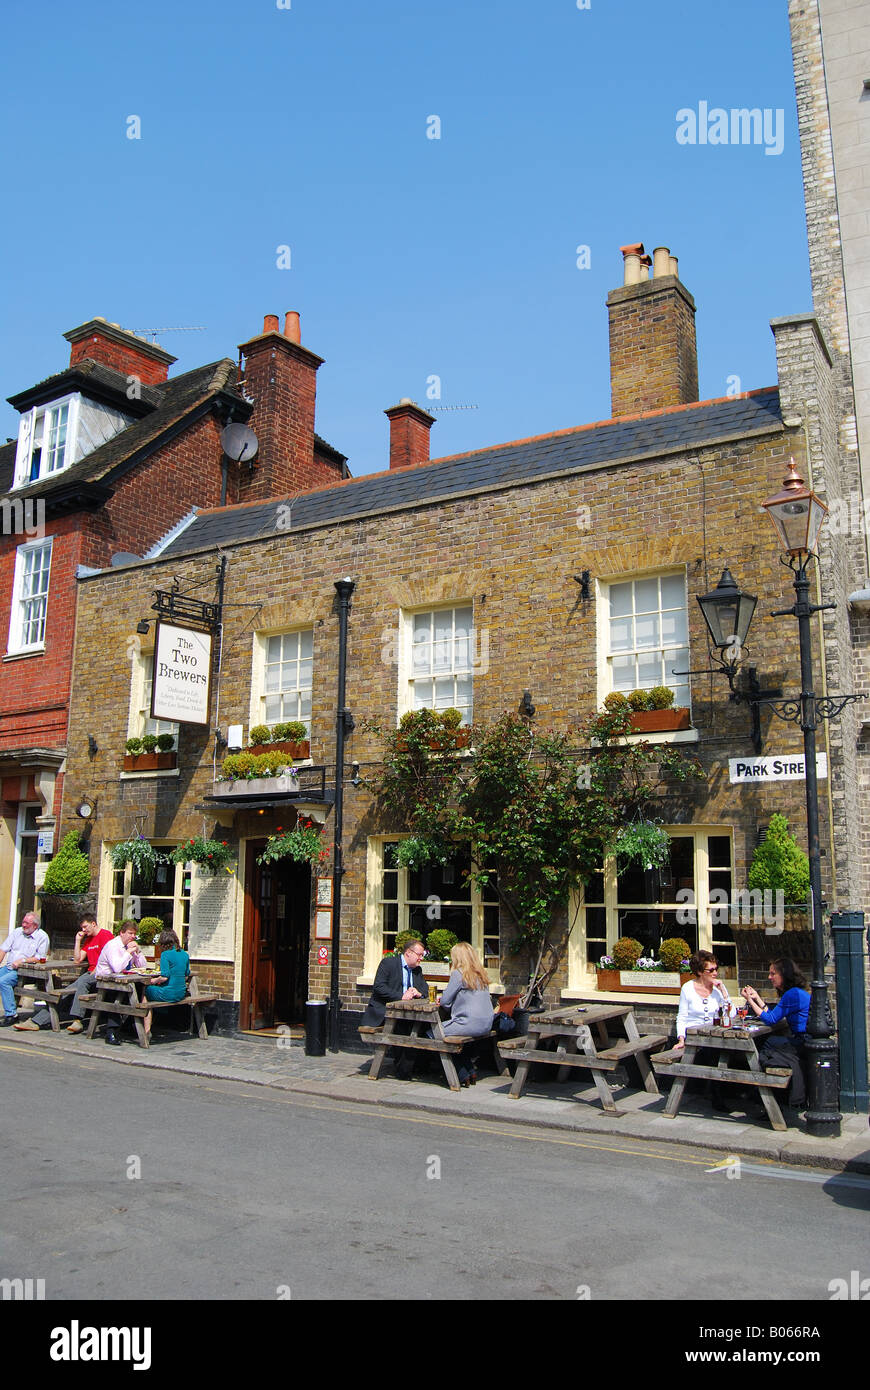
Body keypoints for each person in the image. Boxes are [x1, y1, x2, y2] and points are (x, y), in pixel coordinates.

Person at [14, 914, 112, 1033]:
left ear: (93, 924)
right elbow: (77, 959)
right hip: (89, 974)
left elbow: (109, 957)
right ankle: (36, 1021)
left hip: (102, 974)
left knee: (81, 983)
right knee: (64, 994)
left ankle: (77, 1019)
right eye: (82, 928)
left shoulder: (105, 935)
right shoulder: (89, 939)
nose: (83, 930)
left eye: (85, 927)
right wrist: (77, 941)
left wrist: (97, 969)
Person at [741, 957, 810, 1107]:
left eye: (773, 974)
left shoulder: (792, 994)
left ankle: (763, 1092)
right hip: (803, 1040)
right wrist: (757, 998)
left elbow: (771, 1020)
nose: (769, 977)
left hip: (802, 1042)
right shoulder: (795, 992)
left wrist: (749, 1000)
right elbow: (774, 1015)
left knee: (766, 1043)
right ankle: (761, 1093)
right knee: (769, 1042)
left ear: (784, 974)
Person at [674, 950, 738, 1112]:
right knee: (716, 1055)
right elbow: (682, 1016)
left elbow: (732, 1014)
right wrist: (681, 1038)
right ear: (700, 972)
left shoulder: (717, 992)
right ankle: (717, 1096)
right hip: (694, 1037)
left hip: (712, 1036)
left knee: (725, 1053)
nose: (715, 973)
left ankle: (720, 1094)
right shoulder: (687, 988)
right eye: (711, 970)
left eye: (716, 969)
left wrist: (724, 993)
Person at [361, 937, 428, 1078]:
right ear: (409, 953)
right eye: (419, 955)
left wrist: (418, 992)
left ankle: (414, 1067)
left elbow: (425, 990)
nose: (421, 958)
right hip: (385, 1012)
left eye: (423, 955)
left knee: (421, 1027)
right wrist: (401, 996)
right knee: (403, 1027)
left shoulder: (417, 970)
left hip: (407, 1013)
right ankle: (404, 1071)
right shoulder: (388, 963)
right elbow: (379, 987)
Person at [437, 942, 495, 1086]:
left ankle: (462, 1074)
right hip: (487, 1024)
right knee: (454, 1038)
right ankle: (470, 1070)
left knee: (434, 1034)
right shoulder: (481, 974)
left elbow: (445, 1002)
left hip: (468, 1023)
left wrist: (448, 1003)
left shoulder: (459, 973)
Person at [94, 921, 147, 1046]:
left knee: (141, 987)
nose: (132, 936)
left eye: (134, 934)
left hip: (122, 980)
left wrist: (137, 952)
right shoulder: (113, 945)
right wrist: (128, 952)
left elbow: (143, 966)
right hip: (105, 981)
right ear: (121, 933)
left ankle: (130, 1024)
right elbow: (117, 967)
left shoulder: (129, 946)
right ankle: (111, 1031)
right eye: (130, 933)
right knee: (118, 994)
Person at [0, 912, 50, 1026]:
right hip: (8, 968)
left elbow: (40, 958)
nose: (23, 925)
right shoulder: (17, 932)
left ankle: (12, 1015)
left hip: (25, 972)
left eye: (27, 923)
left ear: (35, 926)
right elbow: (3, 949)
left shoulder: (42, 937)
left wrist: (23, 961)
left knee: (3, 982)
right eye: (23, 922)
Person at [142, 929, 190, 1038]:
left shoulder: (165, 955)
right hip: (181, 993)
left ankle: (146, 1031)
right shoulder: (184, 954)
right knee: (153, 992)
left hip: (168, 994)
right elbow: (187, 975)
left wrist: (152, 981)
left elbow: (164, 977)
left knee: (145, 992)